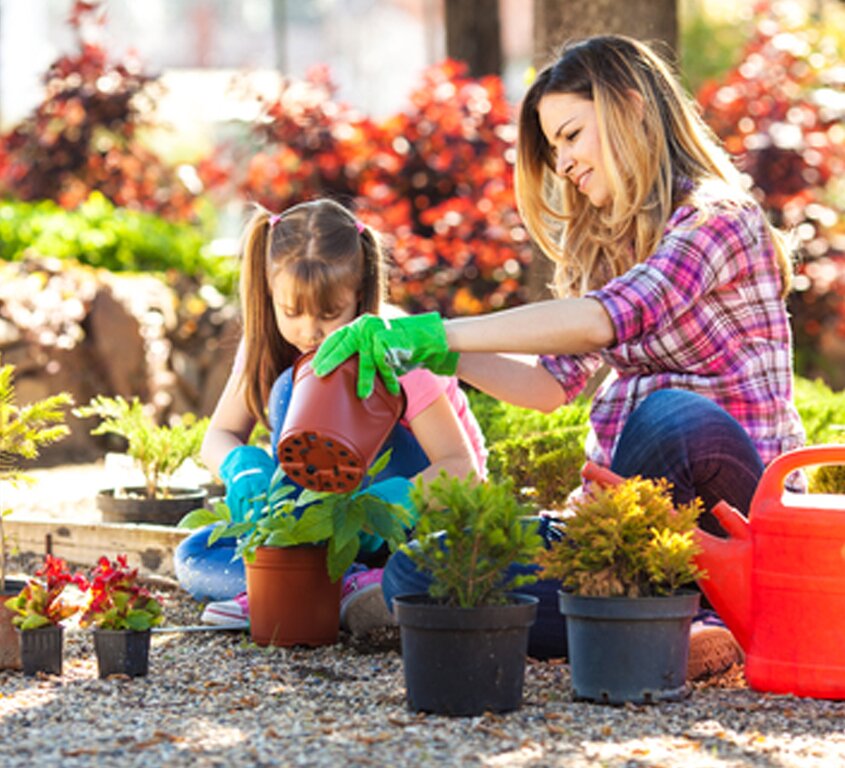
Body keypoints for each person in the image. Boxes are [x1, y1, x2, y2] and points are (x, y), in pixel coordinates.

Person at [312, 35, 806, 678]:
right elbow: (548, 385)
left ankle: (699, 612)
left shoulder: (718, 220)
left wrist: (447, 331)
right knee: (424, 569)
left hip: (735, 514)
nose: (564, 161)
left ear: (629, 108)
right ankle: (654, 619)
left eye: (571, 135)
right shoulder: (609, 242)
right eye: (553, 147)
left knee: (669, 417)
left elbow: (608, 317)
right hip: (623, 525)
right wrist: (428, 353)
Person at [175, 198, 486, 636]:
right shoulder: (264, 345)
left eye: (329, 314)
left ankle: (311, 587)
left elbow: (463, 469)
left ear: (359, 297)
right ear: (269, 294)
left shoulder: (392, 345)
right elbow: (220, 434)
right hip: (321, 535)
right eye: (291, 311)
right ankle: (341, 586)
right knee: (192, 554)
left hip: (412, 522)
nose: (308, 331)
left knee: (296, 386)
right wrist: (240, 466)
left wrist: (397, 501)